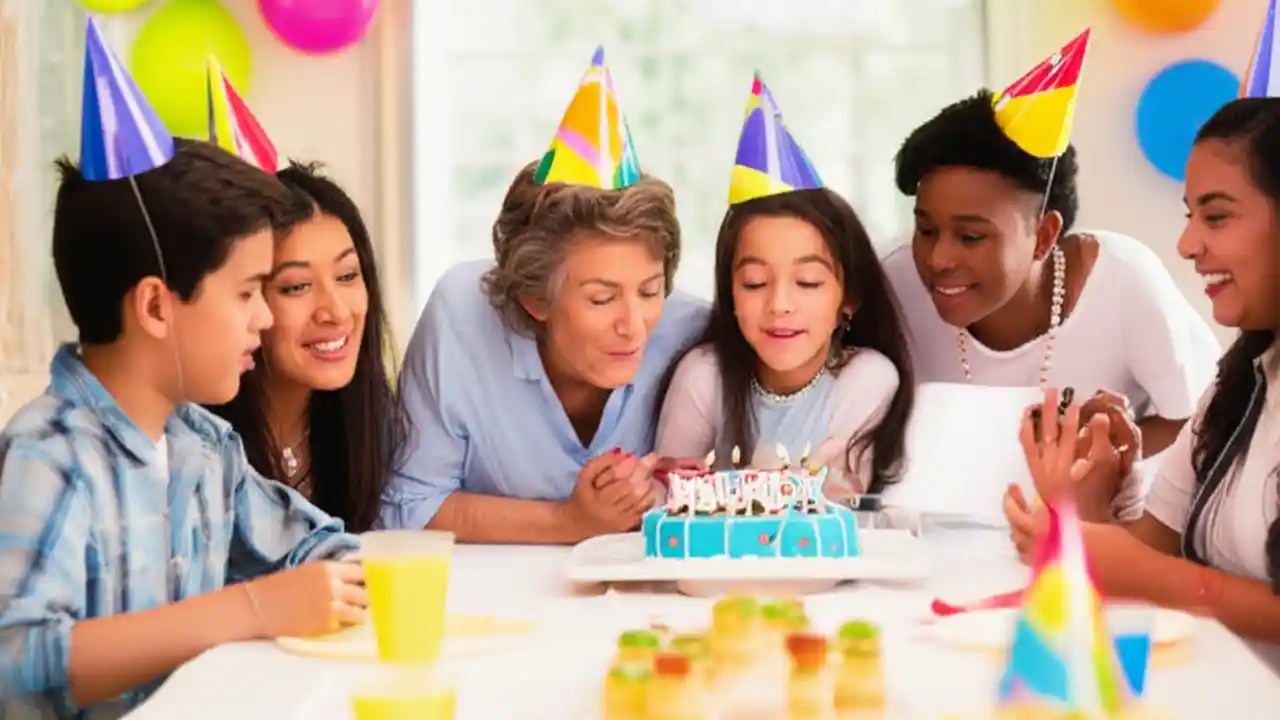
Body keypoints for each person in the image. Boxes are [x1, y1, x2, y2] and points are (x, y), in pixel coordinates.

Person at [0, 138, 368, 716]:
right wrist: (247, 609)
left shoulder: (203, 446)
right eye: (247, 292)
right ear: (154, 306)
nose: (265, 316)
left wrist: (355, 576)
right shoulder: (49, 457)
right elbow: (14, 658)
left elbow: (318, 550)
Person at [381, 49, 709, 543]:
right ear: (535, 297)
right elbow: (405, 509)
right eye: (602, 299)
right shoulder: (460, 318)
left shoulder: (693, 330)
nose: (635, 324)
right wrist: (568, 523)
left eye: (650, 290)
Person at [1006, 98, 1280, 643]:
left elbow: (1154, 574)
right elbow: (1148, 549)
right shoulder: (1240, 385)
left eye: (1217, 216)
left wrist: (1152, 576)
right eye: (1190, 215)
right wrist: (1083, 499)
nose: (1186, 245)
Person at [884, 90, 1220, 462]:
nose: (939, 258)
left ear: (1043, 236)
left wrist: (1088, 463)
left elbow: (1193, 422)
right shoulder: (895, 286)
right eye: (926, 230)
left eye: (971, 237)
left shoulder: (1124, 281)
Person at [655, 76, 912, 498]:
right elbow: (665, 500)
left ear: (848, 297)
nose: (779, 304)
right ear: (729, 293)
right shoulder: (704, 377)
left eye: (808, 282)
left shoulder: (867, 378)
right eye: (754, 283)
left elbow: (827, 495)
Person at [208, 161, 408, 532]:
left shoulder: (372, 418)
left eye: (348, 276)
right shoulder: (200, 439)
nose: (335, 311)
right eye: (296, 286)